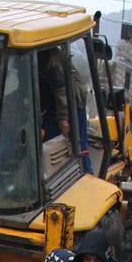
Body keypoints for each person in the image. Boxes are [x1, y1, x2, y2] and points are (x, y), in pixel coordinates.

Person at [47, 46, 92, 174]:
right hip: (57, 100)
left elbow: (60, 89)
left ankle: (87, 176)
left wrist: (63, 117)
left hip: (72, 101)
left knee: (78, 143)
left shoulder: (49, 59)